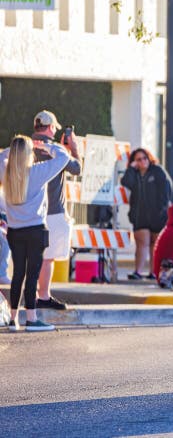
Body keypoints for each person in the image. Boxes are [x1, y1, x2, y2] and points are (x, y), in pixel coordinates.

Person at [0, 136, 70, 332]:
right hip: (36, 231)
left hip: (14, 232)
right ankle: (31, 319)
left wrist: (10, 148)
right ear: (29, 154)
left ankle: (13, 319)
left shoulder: (6, 172)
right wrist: (47, 146)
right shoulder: (37, 172)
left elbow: (1, 157)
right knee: (32, 276)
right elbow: (64, 157)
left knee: (18, 275)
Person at [32, 110, 81, 310]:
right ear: (51, 127)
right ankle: (43, 296)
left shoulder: (25, 145)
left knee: (30, 258)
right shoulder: (56, 149)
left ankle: (30, 296)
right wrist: (73, 149)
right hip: (52, 210)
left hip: (29, 209)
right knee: (47, 257)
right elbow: (77, 169)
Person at [121, 147, 173, 280]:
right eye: (138, 159)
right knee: (142, 243)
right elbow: (126, 182)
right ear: (134, 162)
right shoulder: (135, 174)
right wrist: (131, 168)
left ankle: (154, 272)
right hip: (140, 216)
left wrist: (162, 209)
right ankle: (138, 271)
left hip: (158, 215)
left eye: (144, 158)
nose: (143, 161)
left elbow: (166, 189)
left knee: (155, 245)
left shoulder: (157, 171)